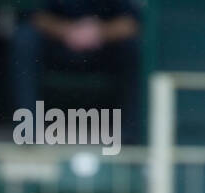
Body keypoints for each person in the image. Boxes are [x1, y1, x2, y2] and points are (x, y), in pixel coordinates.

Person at [10, 1, 143, 145]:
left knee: (134, 47)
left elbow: (131, 23)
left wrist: (99, 32)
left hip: (104, 48)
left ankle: (132, 136)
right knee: (25, 38)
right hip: (58, 46)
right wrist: (68, 31)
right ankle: (28, 132)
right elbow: (35, 15)